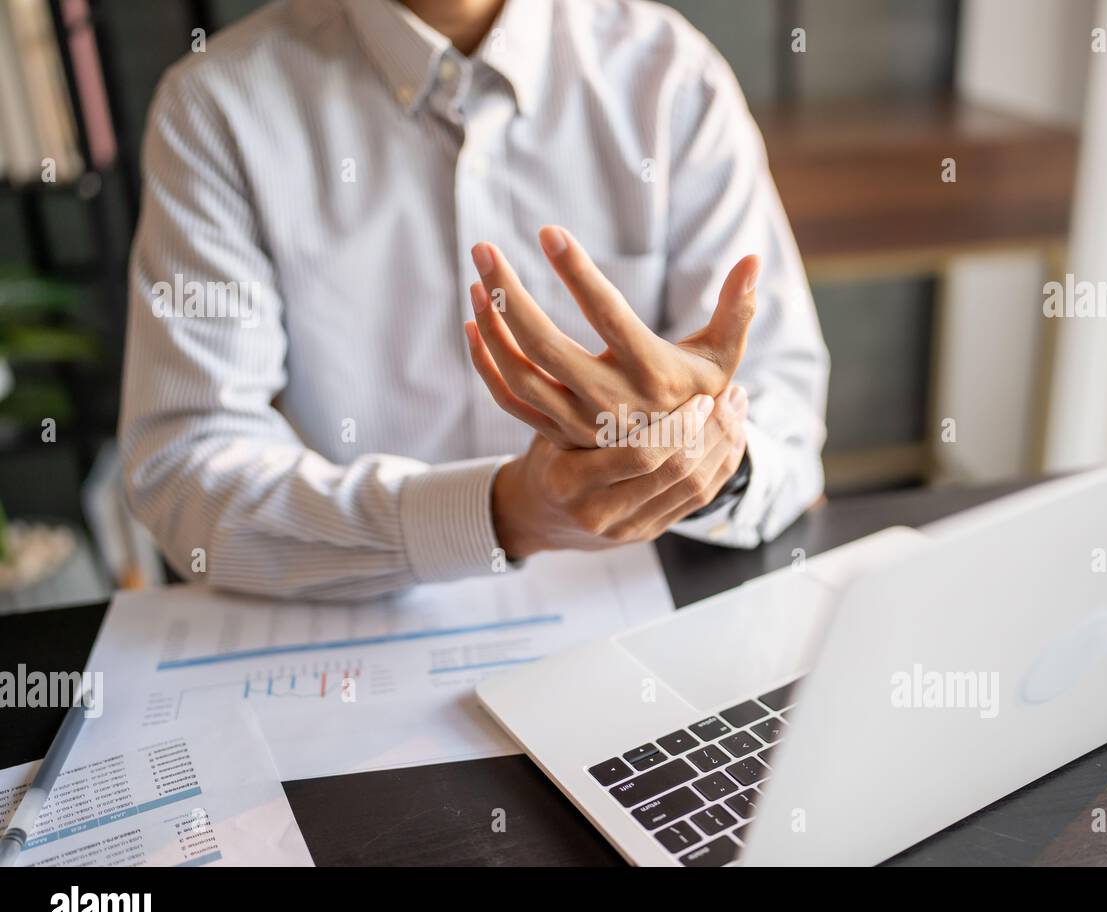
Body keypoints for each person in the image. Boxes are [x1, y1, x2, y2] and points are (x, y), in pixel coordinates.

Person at [119, 0, 829, 599]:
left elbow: (785, 426)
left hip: (648, 613)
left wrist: (717, 463)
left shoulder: (670, 76)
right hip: (362, 632)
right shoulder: (220, 108)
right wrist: (501, 515)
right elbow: (185, 465)